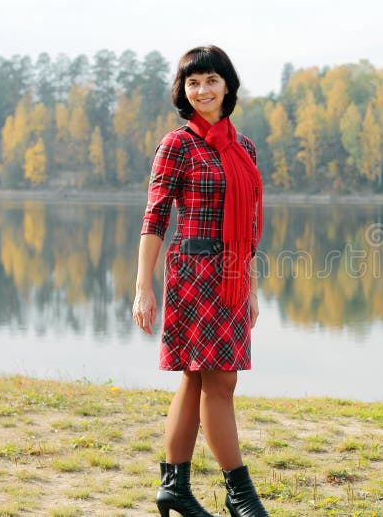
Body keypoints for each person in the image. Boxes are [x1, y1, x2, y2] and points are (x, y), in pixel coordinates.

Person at [132, 45, 268, 517]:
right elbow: (155, 218)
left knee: (197, 379)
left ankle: (174, 486)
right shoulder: (177, 145)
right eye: (193, 83)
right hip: (193, 273)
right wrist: (142, 287)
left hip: (231, 274)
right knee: (221, 381)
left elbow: (249, 226)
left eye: (210, 80)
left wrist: (249, 288)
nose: (202, 90)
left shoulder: (244, 148)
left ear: (227, 85)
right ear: (183, 91)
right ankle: (241, 495)